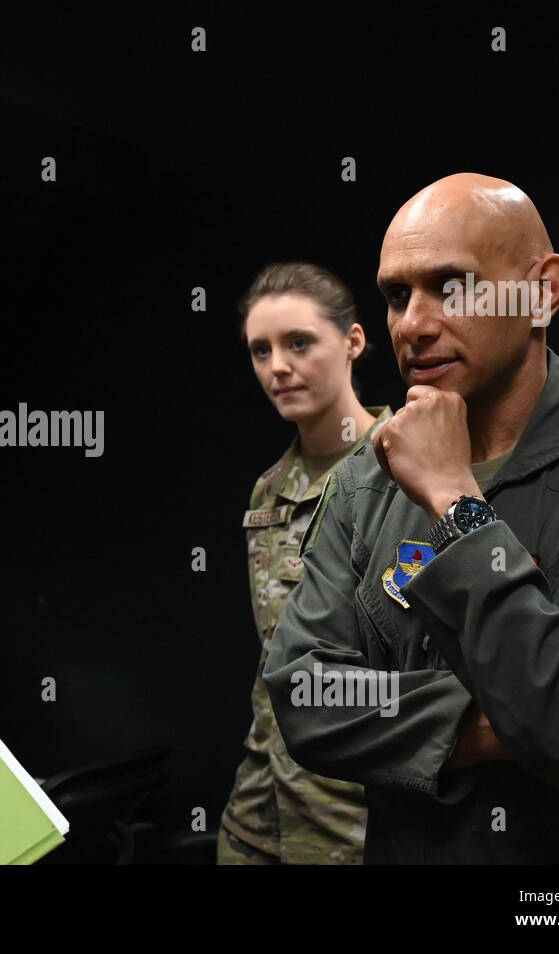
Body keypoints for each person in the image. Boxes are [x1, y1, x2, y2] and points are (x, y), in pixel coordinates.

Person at [265, 172, 559, 863]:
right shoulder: (362, 483)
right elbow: (304, 700)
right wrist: (505, 736)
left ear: (542, 291)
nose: (412, 324)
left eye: (452, 286)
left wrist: (453, 501)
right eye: (396, 295)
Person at [217, 263, 390, 864]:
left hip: (355, 824)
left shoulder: (409, 473)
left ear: (353, 341)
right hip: (257, 815)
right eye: (260, 350)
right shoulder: (270, 491)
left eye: (298, 343)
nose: (277, 368)